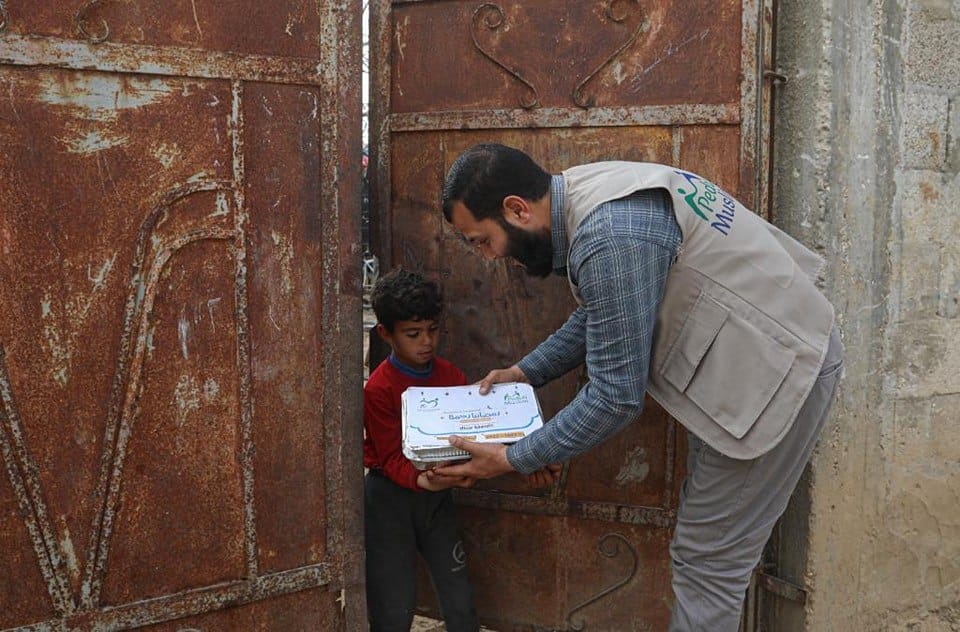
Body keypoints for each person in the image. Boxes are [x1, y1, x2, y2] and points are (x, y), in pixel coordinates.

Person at [433, 143, 843, 631]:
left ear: (517, 209)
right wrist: (525, 372)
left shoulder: (611, 234)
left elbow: (614, 397)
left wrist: (511, 458)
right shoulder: (585, 194)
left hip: (775, 374)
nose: (488, 257)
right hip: (753, 356)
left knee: (709, 563)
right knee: (706, 551)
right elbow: (607, 307)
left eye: (482, 241)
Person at [363, 268, 480, 632]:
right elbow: (389, 458)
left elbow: (467, 438)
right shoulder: (379, 389)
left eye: (433, 330)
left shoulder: (452, 378)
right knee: (393, 603)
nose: (426, 342)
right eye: (413, 334)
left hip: (437, 498)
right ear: (386, 333)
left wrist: (465, 469)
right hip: (389, 500)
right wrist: (422, 480)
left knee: (459, 596)